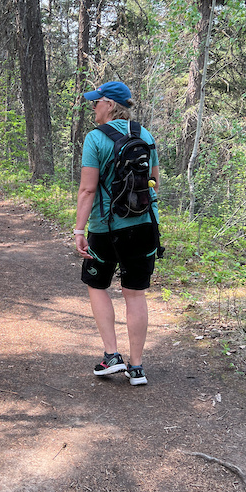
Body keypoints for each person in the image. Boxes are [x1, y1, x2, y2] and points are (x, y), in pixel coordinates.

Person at [73, 81, 160, 386]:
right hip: (145, 225)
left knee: (97, 285)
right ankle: (136, 368)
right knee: (134, 294)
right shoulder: (144, 134)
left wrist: (79, 229)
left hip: (106, 228)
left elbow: (87, 189)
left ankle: (112, 356)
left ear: (110, 104)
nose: (93, 106)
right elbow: (154, 183)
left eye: (97, 101)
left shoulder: (95, 139)